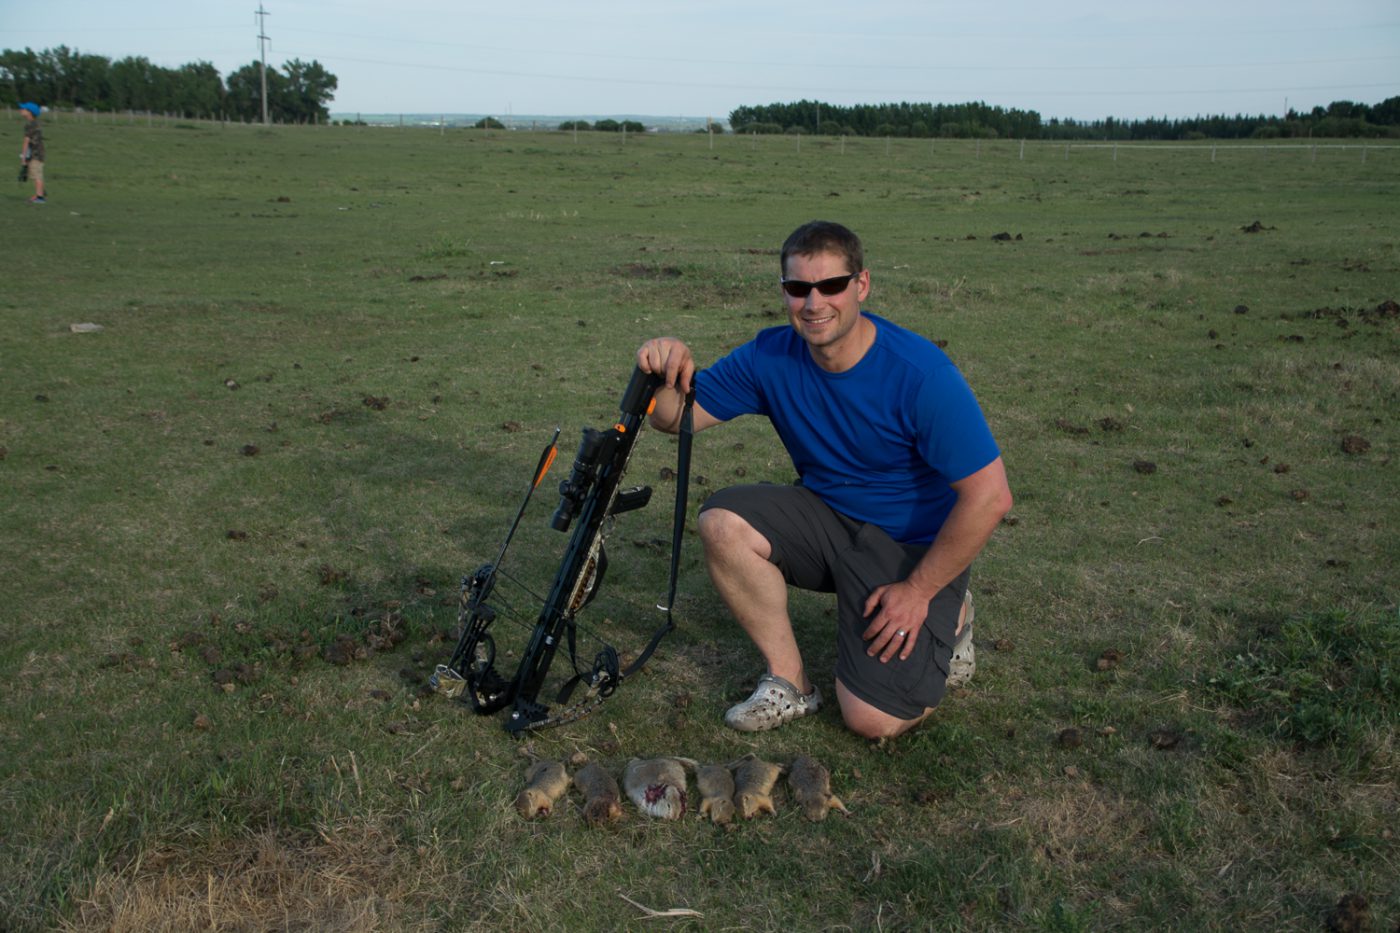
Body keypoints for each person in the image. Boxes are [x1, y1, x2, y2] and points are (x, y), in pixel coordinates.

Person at [637, 221, 1011, 739]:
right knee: (722, 523)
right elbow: (676, 418)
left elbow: (991, 497)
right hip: (829, 519)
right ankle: (789, 683)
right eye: (798, 288)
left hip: (910, 548)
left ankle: (953, 612)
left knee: (872, 720)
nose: (814, 303)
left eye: (831, 285)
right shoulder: (770, 356)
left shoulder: (920, 373)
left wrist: (920, 589)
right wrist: (661, 369)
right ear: (784, 292)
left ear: (861, 285)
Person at [19, 102, 45, 203]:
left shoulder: (29, 125)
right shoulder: (36, 123)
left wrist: (23, 157)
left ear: (29, 112)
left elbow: (26, 141)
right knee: (37, 174)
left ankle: (40, 197)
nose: (21, 110)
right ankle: (39, 194)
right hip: (39, 152)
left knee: (36, 175)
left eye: (23, 109)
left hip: (35, 153)